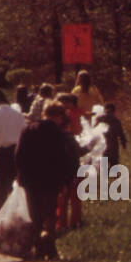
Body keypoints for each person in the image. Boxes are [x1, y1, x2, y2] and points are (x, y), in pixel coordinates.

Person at [16, 101, 80, 260]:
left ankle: (37, 249)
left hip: (31, 180)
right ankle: (51, 250)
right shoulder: (59, 134)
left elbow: (19, 155)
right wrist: (66, 181)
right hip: (51, 181)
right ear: (58, 116)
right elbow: (66, 159)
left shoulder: (28, 129)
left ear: (45, 113)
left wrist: (21, 177)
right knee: (50, 216)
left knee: (35, 215)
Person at [0, 88, 28, 211]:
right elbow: (24, 130)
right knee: (17, 183)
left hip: (2, 152)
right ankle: (19, 210)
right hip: (18, 151)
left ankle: (2, 212)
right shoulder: (16, 112)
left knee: (1, 185)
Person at [54, 93, 84, 231]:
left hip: (64, 167)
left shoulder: (58, 133)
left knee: (63, 198)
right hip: (73, 165)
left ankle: (62, 223)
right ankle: (73, 222)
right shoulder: (68, 135)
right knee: (72, 197)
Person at [92, 101, 128, 169]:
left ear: (104, 109)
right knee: (114, 164)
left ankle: (106, 175)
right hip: (113, 145)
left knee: (104, 166)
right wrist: (123, 143)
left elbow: (94, 131)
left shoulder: (99, 118)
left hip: (102, 144)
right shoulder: (116, 120)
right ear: (114, 110)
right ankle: (112, 175)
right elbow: (120, 133)